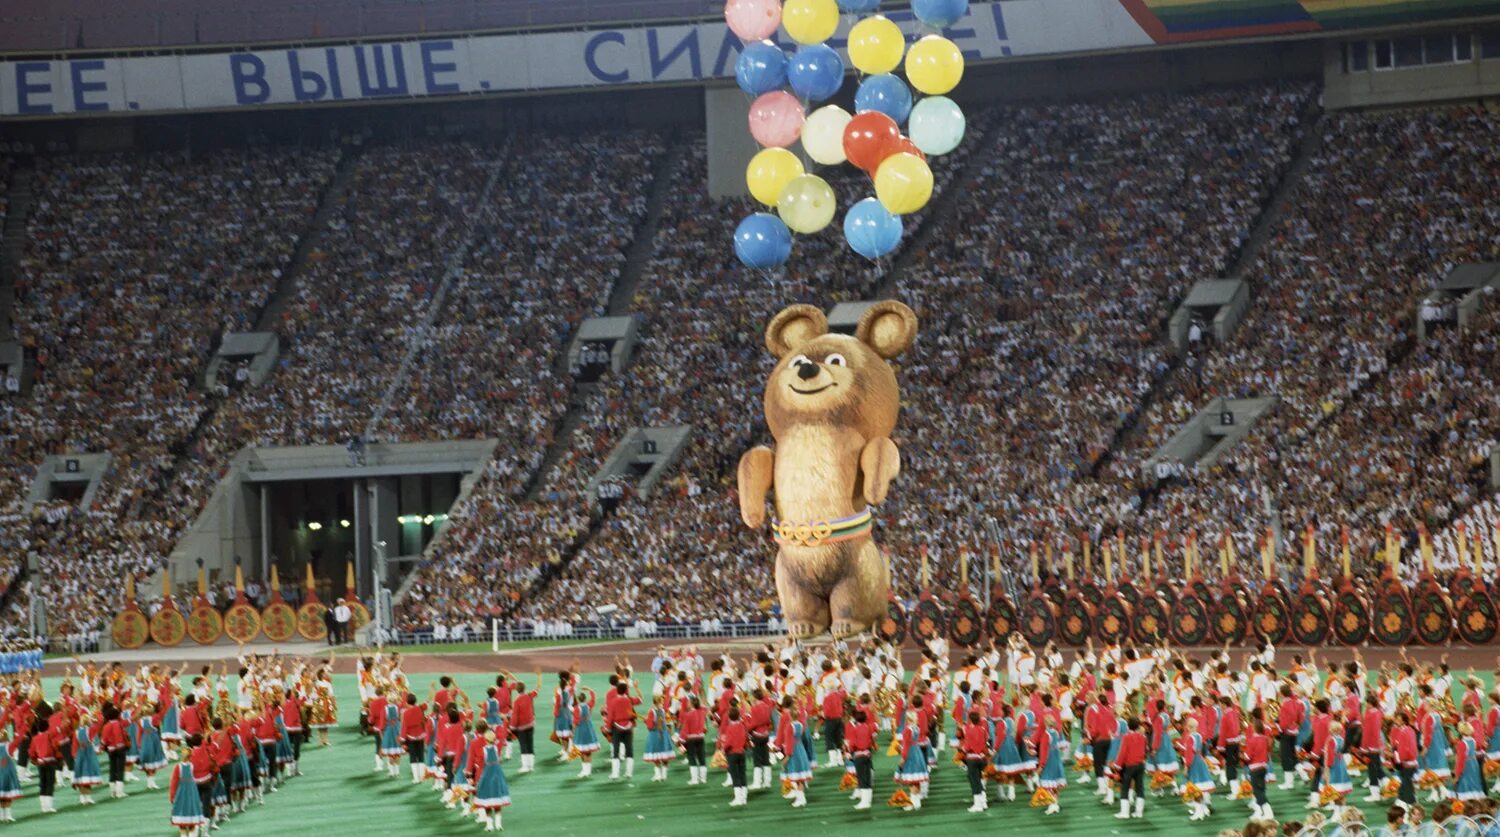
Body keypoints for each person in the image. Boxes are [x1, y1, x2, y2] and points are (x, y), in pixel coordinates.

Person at [471, 731, 511, 832]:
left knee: (486, 803)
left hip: (487, 777)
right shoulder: (497, 748)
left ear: (485, 740)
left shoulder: (483, 750)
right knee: (497, 803)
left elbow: (480, 763)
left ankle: (489, 825)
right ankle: (498, 824)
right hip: (497, 776)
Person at [894, 707, 930, 811]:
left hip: (910, 754)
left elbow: (906, 746)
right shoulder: (916, 728)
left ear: (908, 719)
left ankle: (912, 803)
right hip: (917, 753)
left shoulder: (907, 730)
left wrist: (903, 757)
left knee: (912, 781)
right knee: (917, 780)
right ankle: (917, 802)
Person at [607, 677, 642, 781]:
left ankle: (615, 774)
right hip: (629, 727)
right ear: (626, 690)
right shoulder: (629, 700)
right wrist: (636, 688)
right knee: (629, 749)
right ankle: (628, 773)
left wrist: (608, 728)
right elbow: (640, 699)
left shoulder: (613, 701)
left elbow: (610, 716)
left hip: (617, 727)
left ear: (617, 690)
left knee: (616, 750)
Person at [1113, 716, 1147, 820]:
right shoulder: (1143, 737)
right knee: (1140, 788)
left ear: (1128, 726)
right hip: (1140, 765)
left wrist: (1117, 765)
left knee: (1125, 788)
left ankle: (1125, 812)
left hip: (1130, 766)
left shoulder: (1127, 737)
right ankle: (1139, 812)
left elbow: (1122, 753)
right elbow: (1145, 751)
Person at [844, 706, 875, 810]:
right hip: (867, 754)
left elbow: (852, 744)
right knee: (867, 777)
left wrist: (848, 752)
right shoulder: (868, 727)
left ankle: (864, 802)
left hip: (858, 755)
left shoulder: (855, 729)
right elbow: (872, 739)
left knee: (861, 779)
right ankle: (868, 800)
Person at [168, 756, 206, 836]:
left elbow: (174, 783)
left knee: (182, 823)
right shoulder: (191, 766)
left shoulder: (179, 767)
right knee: (191, 820)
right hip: (191, 794)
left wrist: (172, 796)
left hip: (183, 795)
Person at [722, 705, 750, 807]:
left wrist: (723, 749)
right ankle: (744, 797)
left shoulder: (730, 727)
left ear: (729, 717)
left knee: (735, 775)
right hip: (742, 752)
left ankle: (738, 798)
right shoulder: (742, 726)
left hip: (732, 754)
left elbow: (728, 742)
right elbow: (745, 737)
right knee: (742, 774)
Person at [572, 688, 601, 779]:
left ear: (578, 699)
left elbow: (575, 722)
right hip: (589, 728)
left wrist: (573, 733)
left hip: (581, 730)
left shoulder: (577, 708)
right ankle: (587, 771)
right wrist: (589, 689)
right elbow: (593, 698)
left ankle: (585, 770)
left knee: (583, 751)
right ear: (584, 699)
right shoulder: (588, 705)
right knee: (587, 752)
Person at [679, 694, 706, 785]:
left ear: (692, 704)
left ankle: (694, 780)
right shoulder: (701, 712)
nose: (687, 704)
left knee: (692, 758)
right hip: (701, 737)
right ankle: (703, 778)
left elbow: (685, 729)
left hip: (691, 739)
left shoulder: (688, 714)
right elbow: (704, 706)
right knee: (701, 758)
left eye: (689, 703)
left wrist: (681, 741)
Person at [0, 729, 21, 821]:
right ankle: (7, 815)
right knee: (7, 796)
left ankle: (2, 815)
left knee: (2, 796)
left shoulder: (8, 746)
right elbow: (18, 741)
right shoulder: (9, 746)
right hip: (7, 774)